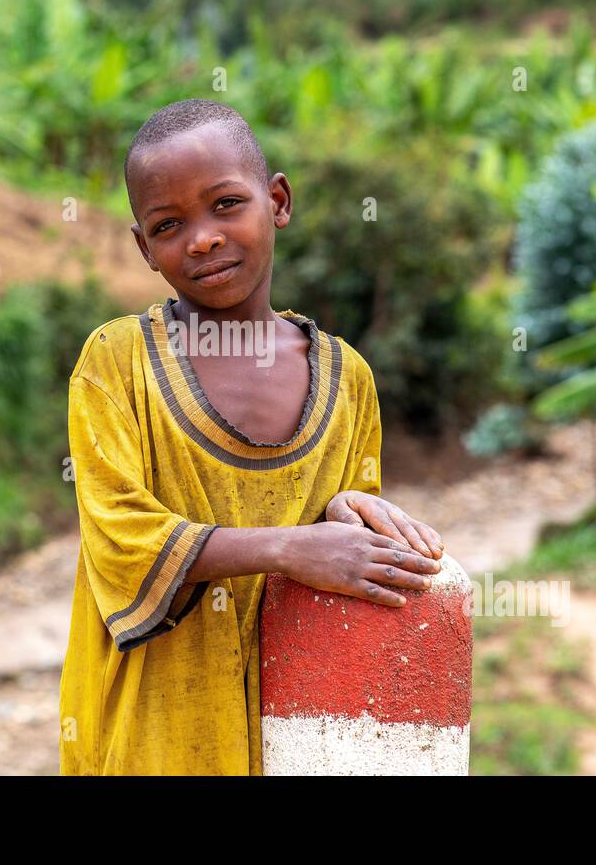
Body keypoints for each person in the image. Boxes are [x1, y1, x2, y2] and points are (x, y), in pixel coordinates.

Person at [58, 98, 444, 775]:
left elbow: (347, 564)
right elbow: (120, 539)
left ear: (279, 201)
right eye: (169, 224)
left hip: (295, 742)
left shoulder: (347, 379)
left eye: (226, 205)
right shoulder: (116, 365)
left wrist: (348, 514)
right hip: (153, 742)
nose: (202, 238)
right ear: (144, 248)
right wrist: (292, 547)